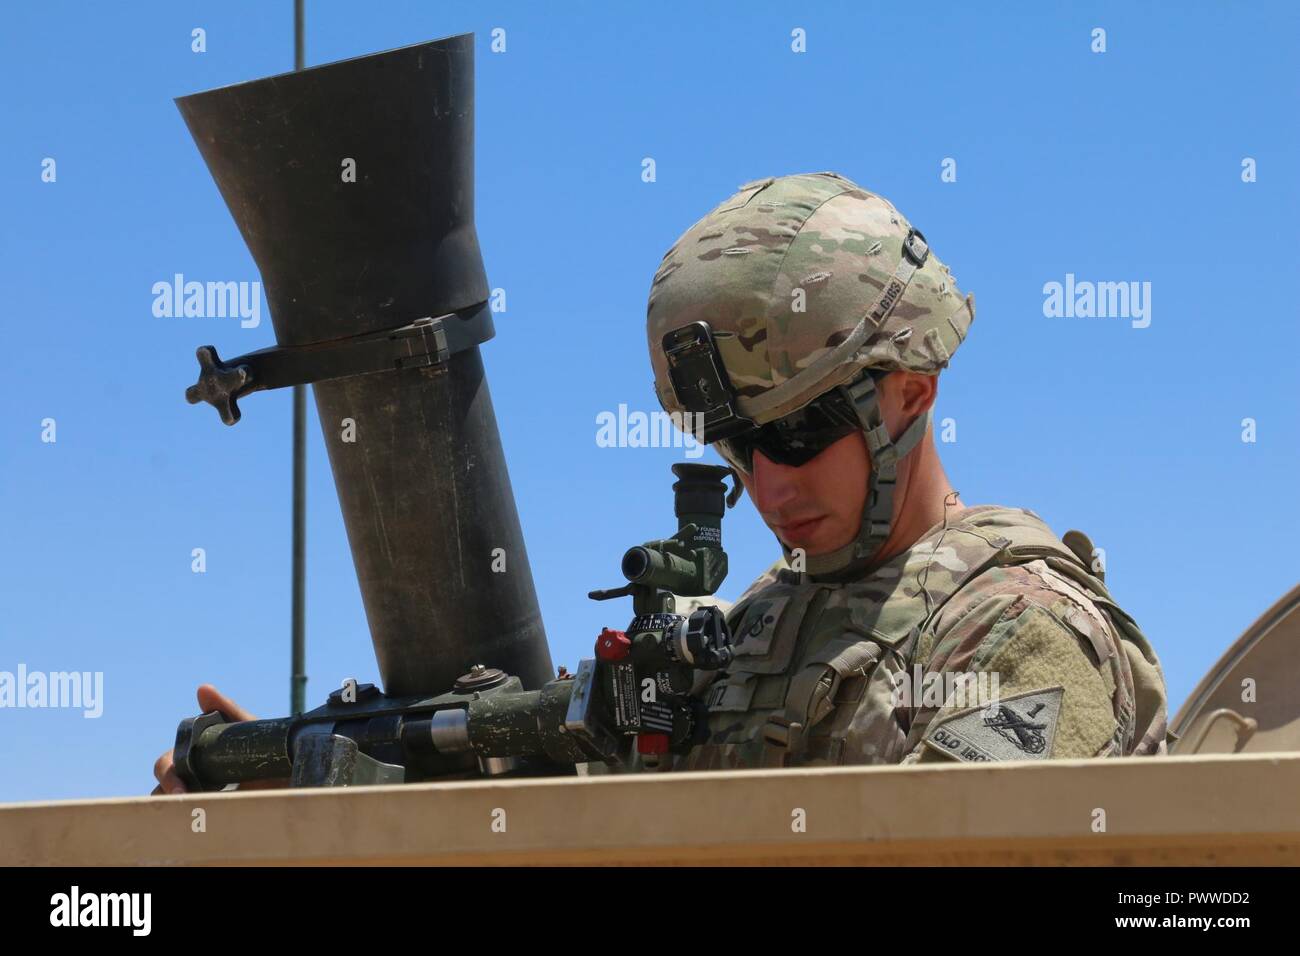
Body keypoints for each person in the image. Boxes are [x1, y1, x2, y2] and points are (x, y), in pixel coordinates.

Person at [644, 171, 1168, 769]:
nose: (768, 486)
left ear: (912, 392)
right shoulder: (750, 623)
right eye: (737, 444)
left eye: (798, 433)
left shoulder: (1024, 629)